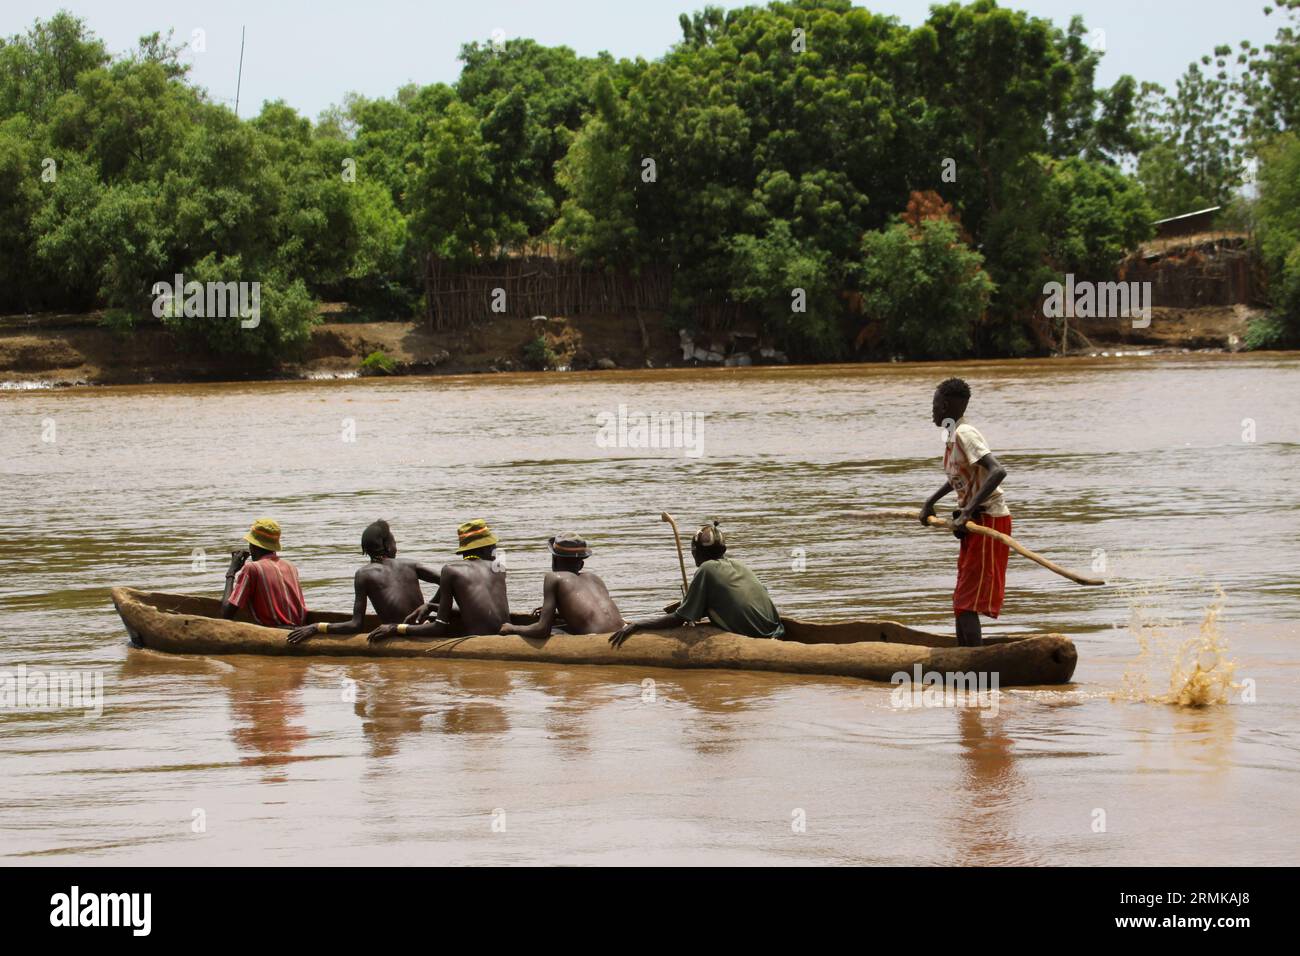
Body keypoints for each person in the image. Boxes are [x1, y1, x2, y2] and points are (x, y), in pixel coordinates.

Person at [919, 377, 1011, 647]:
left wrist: (969, 510)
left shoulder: (964, 433)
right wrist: (930, 501)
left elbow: (997, 471)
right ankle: (965, 657)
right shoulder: (951, 436)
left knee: (967, 600)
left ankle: (973, 664)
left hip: (989, 521)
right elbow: (959, 477)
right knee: (961, 599)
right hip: (972, 523)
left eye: (935, 404)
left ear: (946, 404)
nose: (932, 410)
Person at [608, 521, 783, 648]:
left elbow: (679, 618)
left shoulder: (706, 569)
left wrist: (638, 625)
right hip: (778, 632)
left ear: (696, 551)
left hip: (757, 640)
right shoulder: (740, 565)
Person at [285, 520, 442, 644]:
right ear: (387, 545)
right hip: (424, 628)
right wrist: (428, 607)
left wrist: (317, 627)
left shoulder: (363, 574)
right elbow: (447, 581)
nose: (396, 547)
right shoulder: (411, 564)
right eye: (394, 542)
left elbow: (356, 625)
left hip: (397, 633)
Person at [368, 519, 509, 642]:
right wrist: (431, 606)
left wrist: (396, 628)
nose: (495, 550)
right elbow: (478, 610)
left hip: (480, 641)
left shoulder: (451, 570)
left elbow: (439, 628)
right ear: (485, 549)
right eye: (492, 547)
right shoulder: (500, 568)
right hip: (506, 635)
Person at [499, 533, 624, 639]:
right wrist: (556, 613)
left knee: (553, 633)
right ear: (581, 564)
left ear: (554, 560)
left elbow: (542, 630)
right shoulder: (595, 578)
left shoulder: (553, 578)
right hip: (620, 631)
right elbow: (590, 611)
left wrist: (512, 628)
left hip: (598, 639)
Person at [220, 518, 307, 628]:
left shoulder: (252, 568)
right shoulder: (290, 567)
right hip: (298, 628)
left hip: (276, 632)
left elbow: (226, 613)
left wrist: (231, 572)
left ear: (253, 546)